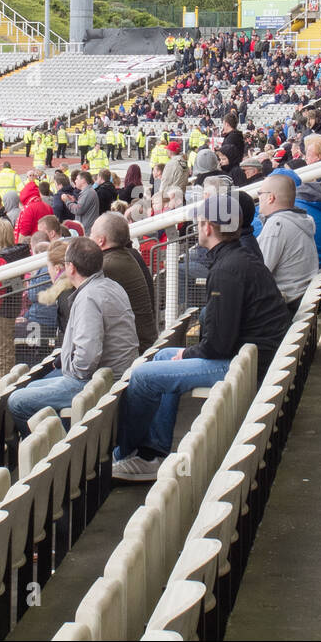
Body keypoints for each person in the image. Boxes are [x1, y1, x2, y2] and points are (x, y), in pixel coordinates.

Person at [114, 194, 289, 480]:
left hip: (244, 364)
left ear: (208, 227)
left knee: (144, 376)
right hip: (251, 356)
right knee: (162, 356)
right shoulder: (238, 256)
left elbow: (218, 345)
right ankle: (153, 453)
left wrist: (188, 353)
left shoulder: (228, 268)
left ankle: (125, 455)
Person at [7, 236, 140, 435]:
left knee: (16, 400)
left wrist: (73, 370)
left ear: (70, 267)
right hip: (109, 376)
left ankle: (53, 449)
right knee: (32, 386)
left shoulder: (88, 297)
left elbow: (87, 357)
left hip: (93, 382)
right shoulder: (111, 286)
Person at [90, 212, 158, 351]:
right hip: (141, 344)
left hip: (136, 351)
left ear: (101, 240)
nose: (88, 238)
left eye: (91, 234)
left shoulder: (108, 266)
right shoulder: (126, 255)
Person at [255, 173, 319, 312]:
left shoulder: (277, 224)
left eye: (260, 193)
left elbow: (260, 272)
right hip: (298, 299)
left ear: (270, 197)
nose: (258, 197)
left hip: (285, 306)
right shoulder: (300, 218)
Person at [0, 219, 31, 380]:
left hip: (2, 311)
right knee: (7, 350)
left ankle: (5, 384)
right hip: (13, 306)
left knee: (3, 352)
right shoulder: (16, 254)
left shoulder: (0, 259)